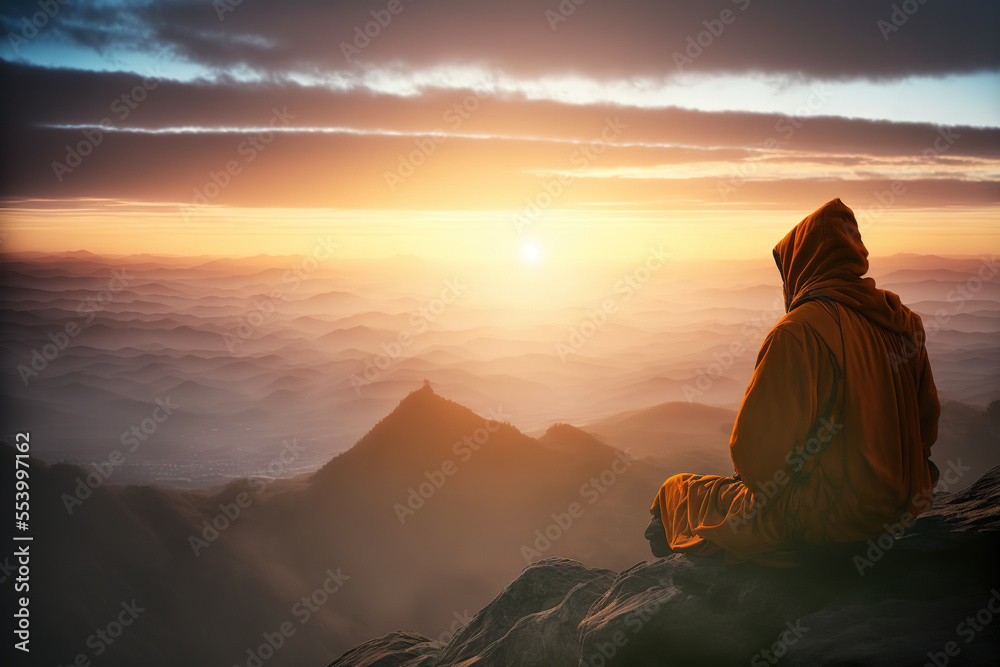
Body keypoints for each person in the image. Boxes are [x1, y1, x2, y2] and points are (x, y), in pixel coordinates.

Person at [645, 198, 940, 566]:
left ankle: (679, 565)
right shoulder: (904, 320)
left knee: (679, 491)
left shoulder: (797, 331)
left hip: (829, 520)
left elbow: (756, 454)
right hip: (903, 501)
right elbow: (926, 426)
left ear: (804, 265)